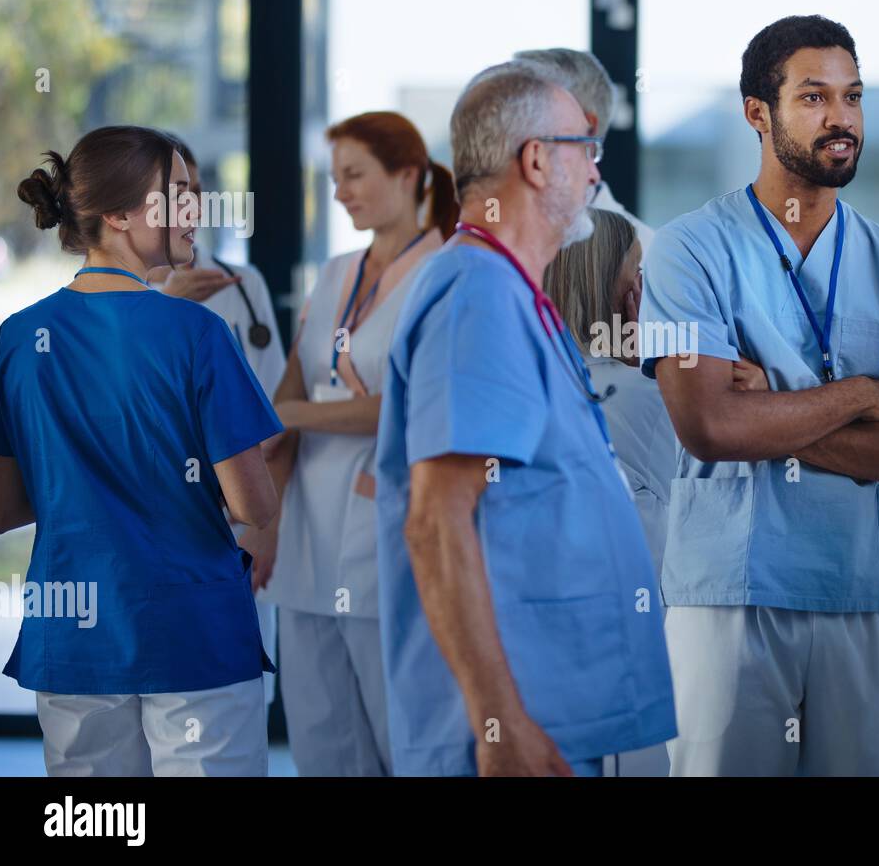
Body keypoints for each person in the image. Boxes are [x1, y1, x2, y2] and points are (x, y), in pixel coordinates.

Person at [639, 15, 879, 776]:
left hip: (865, 593)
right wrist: (861, 392)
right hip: (730, 597)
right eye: (814, 97)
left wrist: (771, 408)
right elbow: (710, 427)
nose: (841, 118)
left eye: (852, 97)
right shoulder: (689, 250)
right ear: (759, 113)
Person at [375, 61, 675, 777]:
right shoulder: (479, 295)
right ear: (537, 160)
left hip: (555, 714)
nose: (597, 174)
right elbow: (436, 520)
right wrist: (498, 720)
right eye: (586, 148)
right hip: (510, 728)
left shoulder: (509, 292)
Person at [0, 125, 281, 776]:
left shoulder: (19, 336)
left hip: (74, 637)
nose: (196, 211)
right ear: (120, 215)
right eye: (178, 194)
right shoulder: (197, 333)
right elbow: (254, 505)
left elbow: (3, 508)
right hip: (194, 633)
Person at [255, 111, 457, 775]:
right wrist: (263, 519)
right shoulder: (334, 271)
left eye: (354, 175)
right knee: (321, 739)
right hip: (308, 535)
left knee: (403, 735)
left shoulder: (447, 271)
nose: (340, 191)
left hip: (389, 532)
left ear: (407, 174)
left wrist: (295, 416)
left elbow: (407, 407)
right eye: (335, 177)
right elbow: (285, 394)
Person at [146, 134, 288, 705]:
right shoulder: (104, 307)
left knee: (225, 715)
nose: (192, 207)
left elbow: (271, 423)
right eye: (176, 193)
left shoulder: (241, 287)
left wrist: (266, 528)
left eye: (197, 191)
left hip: (230, 532)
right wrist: (168, 306)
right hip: (151, 539)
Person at [543, 205, 684, 777]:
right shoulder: (640, 392)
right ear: (619, 291)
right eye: (638, 275)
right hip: (640, 629)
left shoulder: (541, 376)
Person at [514, 47, 654, 250]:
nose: (506, 127)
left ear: (587, 130)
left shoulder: (646, 259)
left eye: (529, 112)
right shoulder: (497, 227)